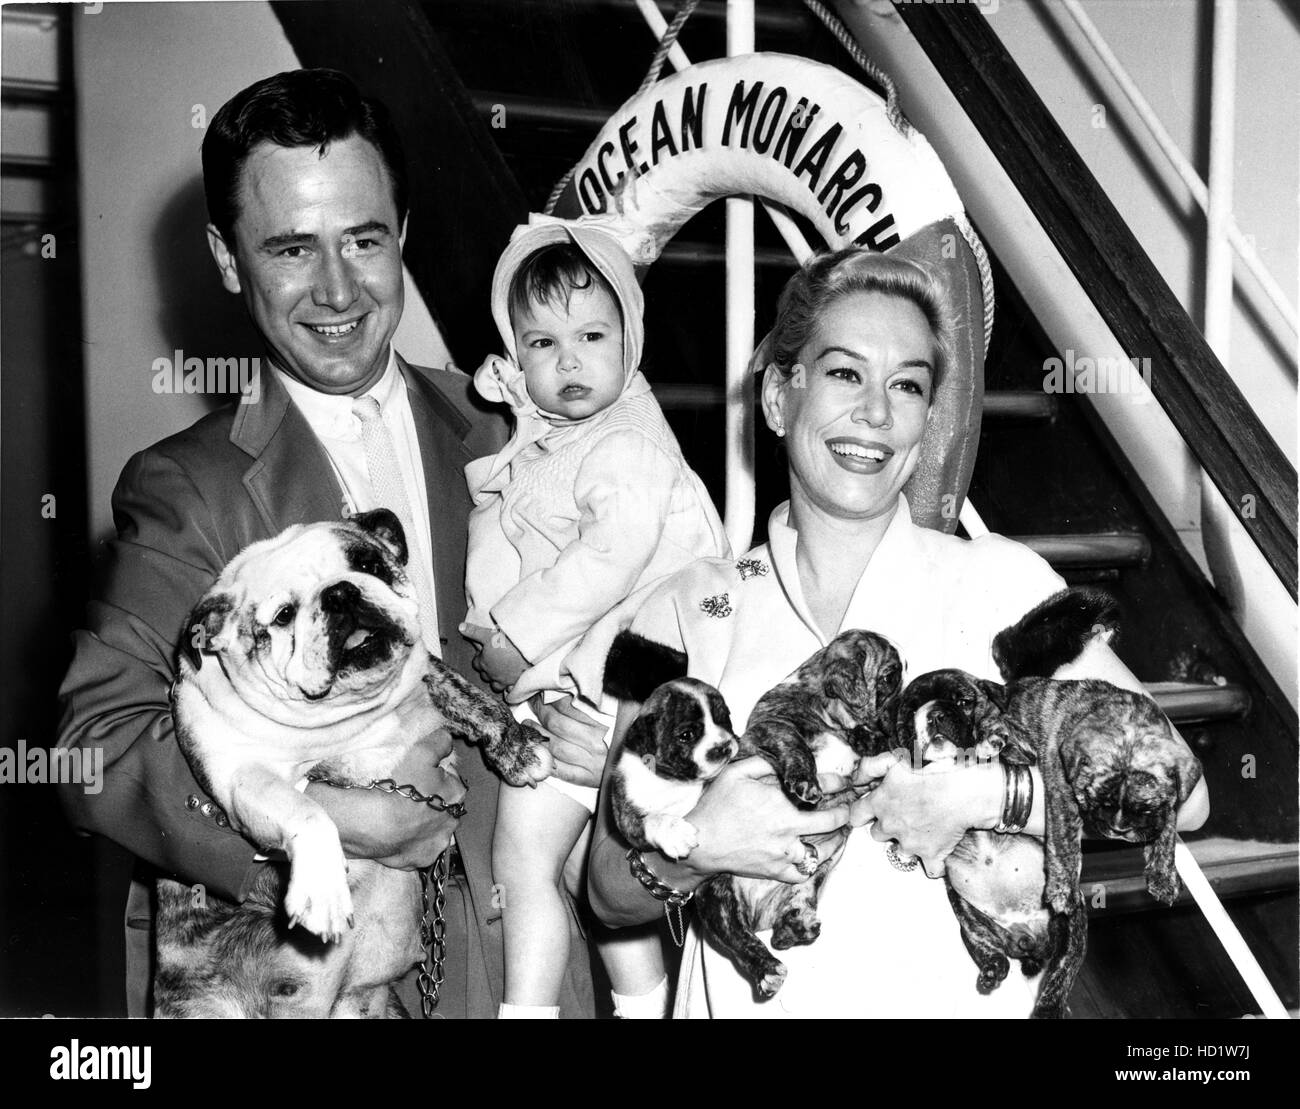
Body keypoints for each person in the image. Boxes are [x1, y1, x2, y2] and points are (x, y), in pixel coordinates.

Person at [55, 68, 600, 1019]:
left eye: (362, 239)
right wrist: (332, 827)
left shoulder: (513, 428)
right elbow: (92, 750)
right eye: (291, 249)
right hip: (305, 972)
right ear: (230, 261)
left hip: (524, 963)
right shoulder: (186, 487)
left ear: (404, 236)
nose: (337, 288)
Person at [587, 244, 1211, 1018]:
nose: (877, 413)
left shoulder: (1003, 582)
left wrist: (991, 793)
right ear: (781, 397)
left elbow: (1183, 794)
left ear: (924, 422)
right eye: (846, 372)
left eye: (907, 385)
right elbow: (607, 889)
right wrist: (703, 842)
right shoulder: (676, 608)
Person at [460, 218, 730, 1018]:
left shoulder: (627, 447)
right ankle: (646, 1009)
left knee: (523, 863)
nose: (568, 360)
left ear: (632, 341)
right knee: (589, 873)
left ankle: (527, 1013)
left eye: (591, 335)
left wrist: (514, 634)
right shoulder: (564, 439)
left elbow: (609, 555)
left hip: (594, 687)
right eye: (540, 343)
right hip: (606, 687)